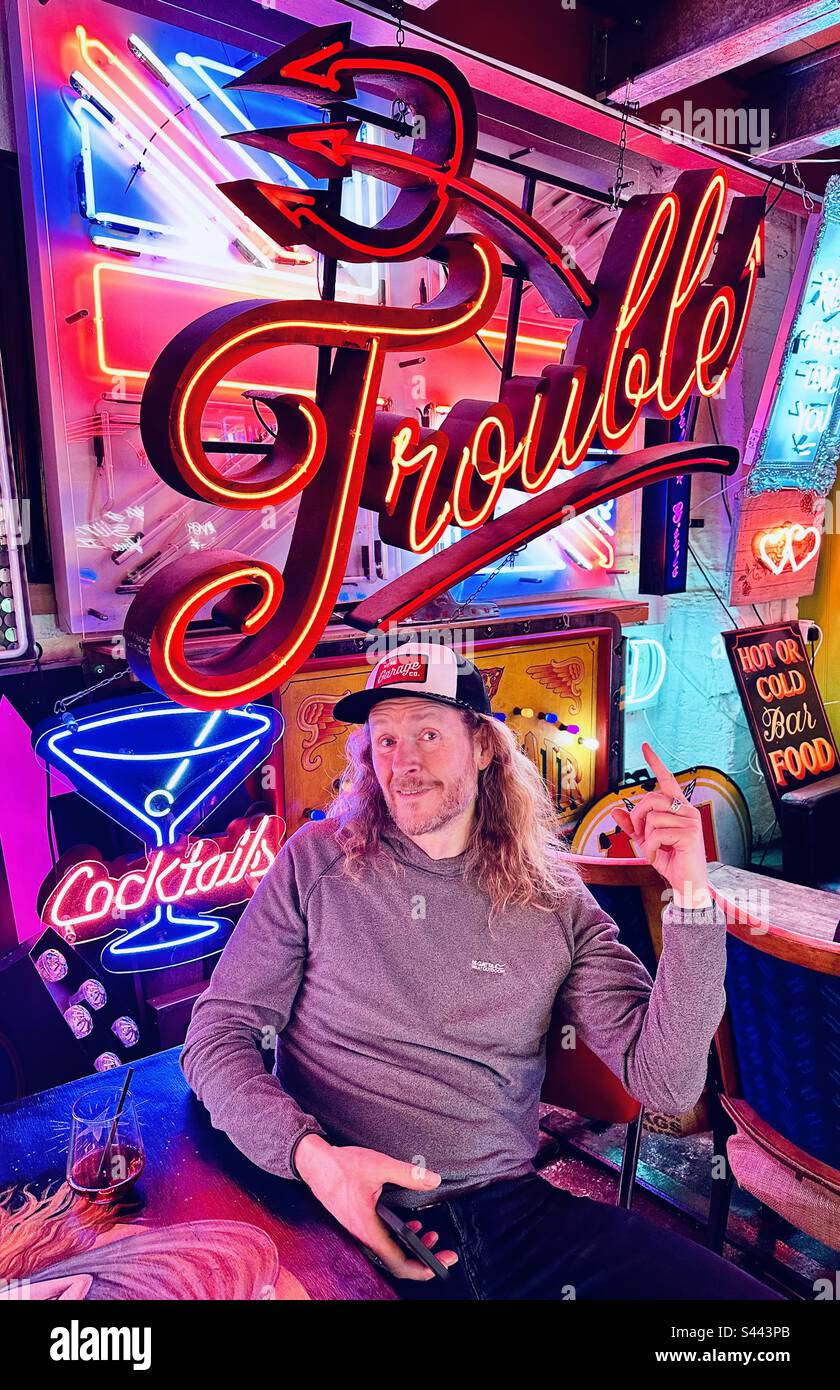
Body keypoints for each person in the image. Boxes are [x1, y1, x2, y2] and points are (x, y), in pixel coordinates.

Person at [181, 640, 782, 1300]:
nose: (402, 764)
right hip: (320, 1201)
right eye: (384, 741)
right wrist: (312, 1158)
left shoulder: (552, 900)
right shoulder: (316, 862)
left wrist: (690, 897)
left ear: (486, 746)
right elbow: (217, 1035)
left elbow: (666, 1083)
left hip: (503, 1217)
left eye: (428, 734)